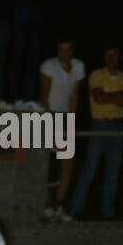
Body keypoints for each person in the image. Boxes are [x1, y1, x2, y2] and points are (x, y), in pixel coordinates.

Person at [69, 44, 123, 219]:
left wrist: (110, 96)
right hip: (99, 126)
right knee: (89, 170)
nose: (111, 58)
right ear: (104, 57)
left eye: (114, 55)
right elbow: (98, 98)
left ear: (120, 57)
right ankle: (76, 210)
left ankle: (107, 213)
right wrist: (119, 95)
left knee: (113, 173)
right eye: (108, 55)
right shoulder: (96, 74)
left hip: (119, 127)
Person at [39, 36, 85, 221]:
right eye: (61, 49)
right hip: (49, 116)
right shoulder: (48, 66)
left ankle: (59, 205)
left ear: (72, 50)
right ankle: (46, 206)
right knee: (51, 165)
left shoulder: (79, 66)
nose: (64, 53)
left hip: (67, 117)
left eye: (68, 49)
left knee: (68, 166)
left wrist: (70, 122)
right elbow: (44, 95)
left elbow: (75, 95)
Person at [9, 0, 50, 107]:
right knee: (17, 59)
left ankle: (29, 98)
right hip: (19, 22)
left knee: (33, 61)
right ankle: (14, 98)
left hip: (37, 23)